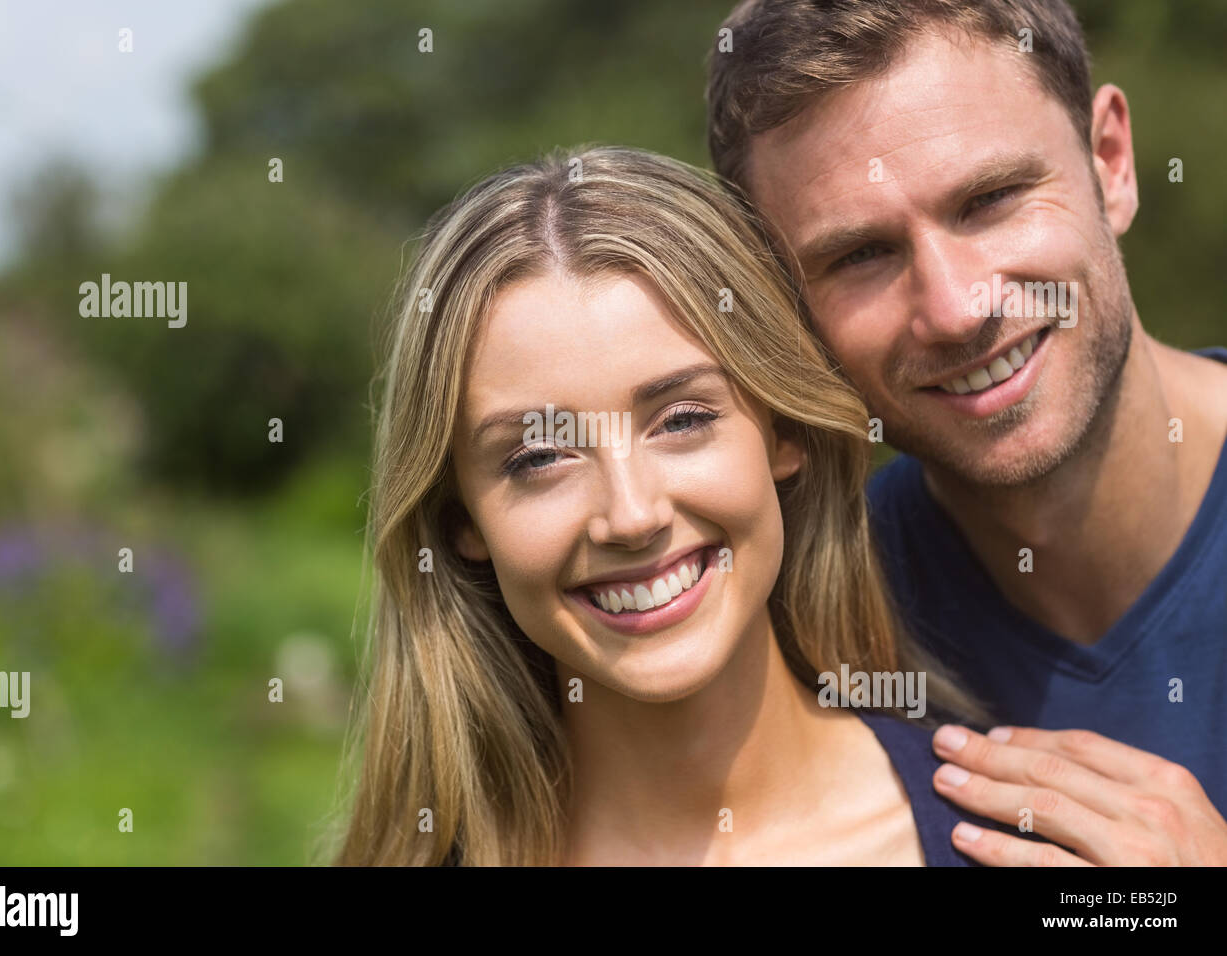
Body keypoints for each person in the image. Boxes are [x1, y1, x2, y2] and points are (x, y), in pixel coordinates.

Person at [333, 145, 1012, 866]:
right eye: (539, 457)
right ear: (462, 521)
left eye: (682, 419)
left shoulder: (1030, 841)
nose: (631, 515)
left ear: (784, 431)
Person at [707, 0, 1227, 864]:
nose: (956, 309)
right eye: (861, 255)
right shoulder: (790, 634)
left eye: (990, 200)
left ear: (1112, 162)